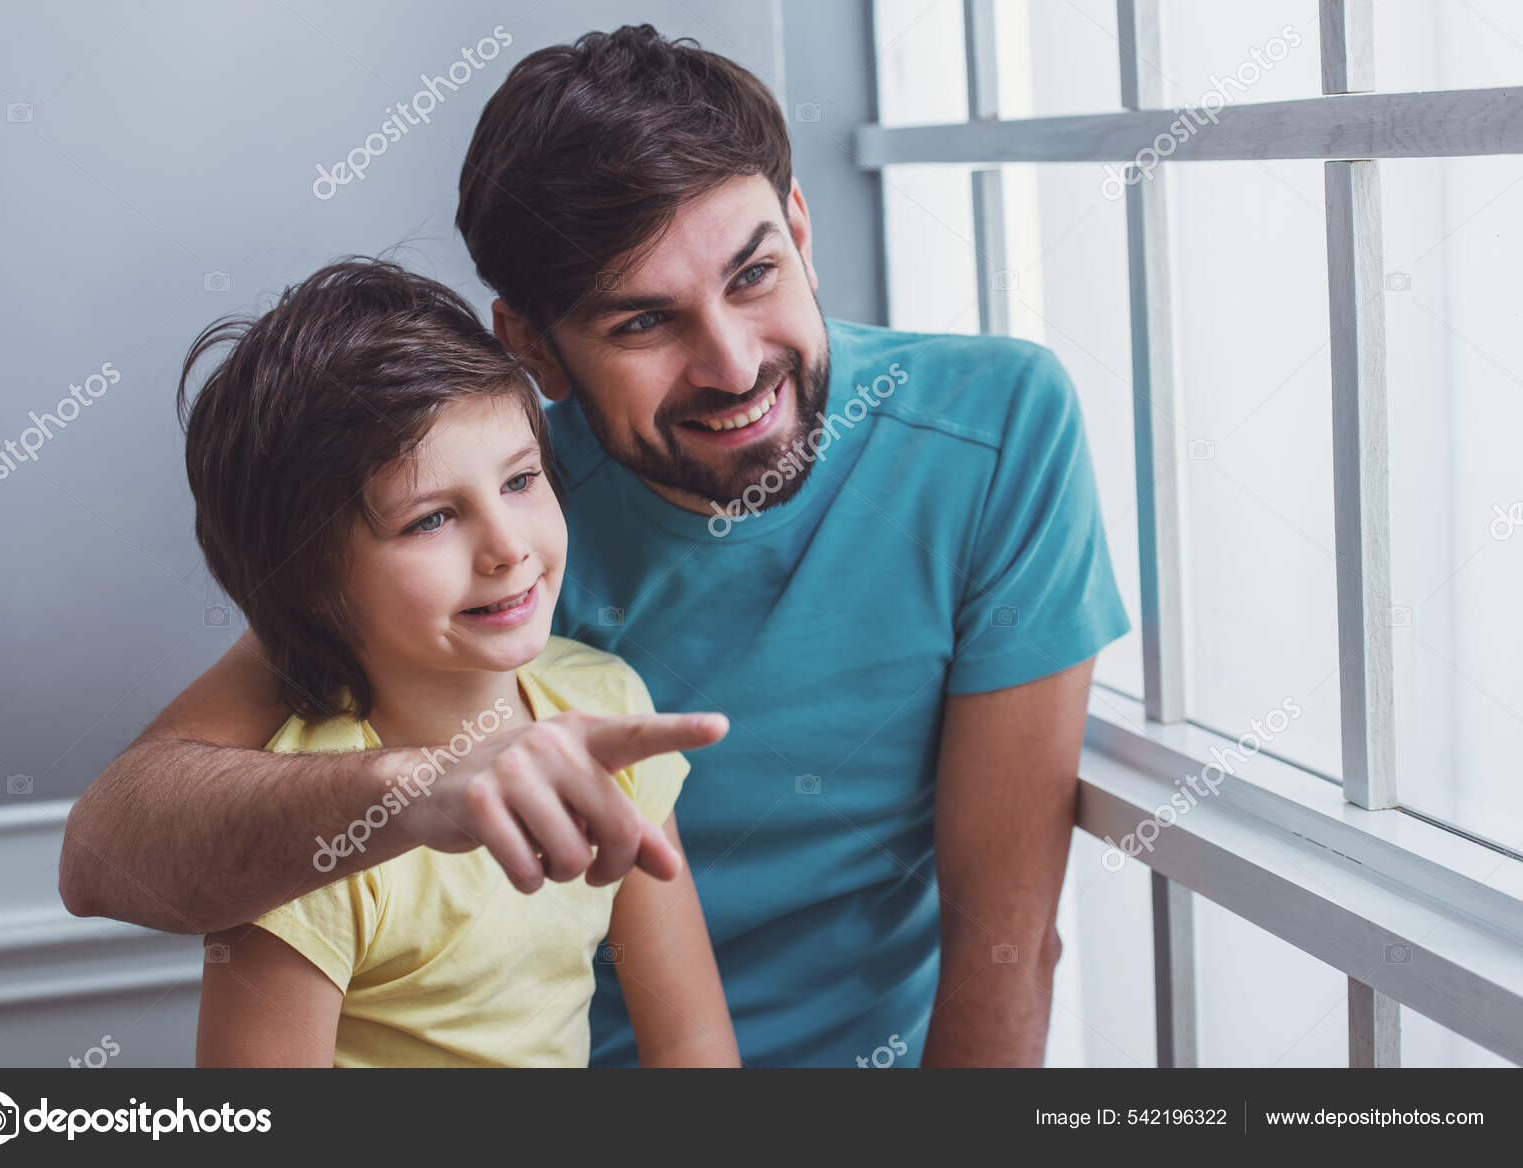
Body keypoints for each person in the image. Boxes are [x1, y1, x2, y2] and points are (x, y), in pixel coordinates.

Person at [61, 25, 1131, 1067]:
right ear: (533, 349)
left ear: (800, 232)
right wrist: (423, 786)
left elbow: (1006, 938)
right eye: (642, 323)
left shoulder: (994, 430)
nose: (733, 366)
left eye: (754, 274)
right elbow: (106, 852)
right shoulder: (497, 522)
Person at [183, 259, 736, 1066]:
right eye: (431, 519)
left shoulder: (607, 705)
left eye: (520, 479)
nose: (507, 546)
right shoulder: (306, 829)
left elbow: (690, 1041)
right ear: (309, 583)